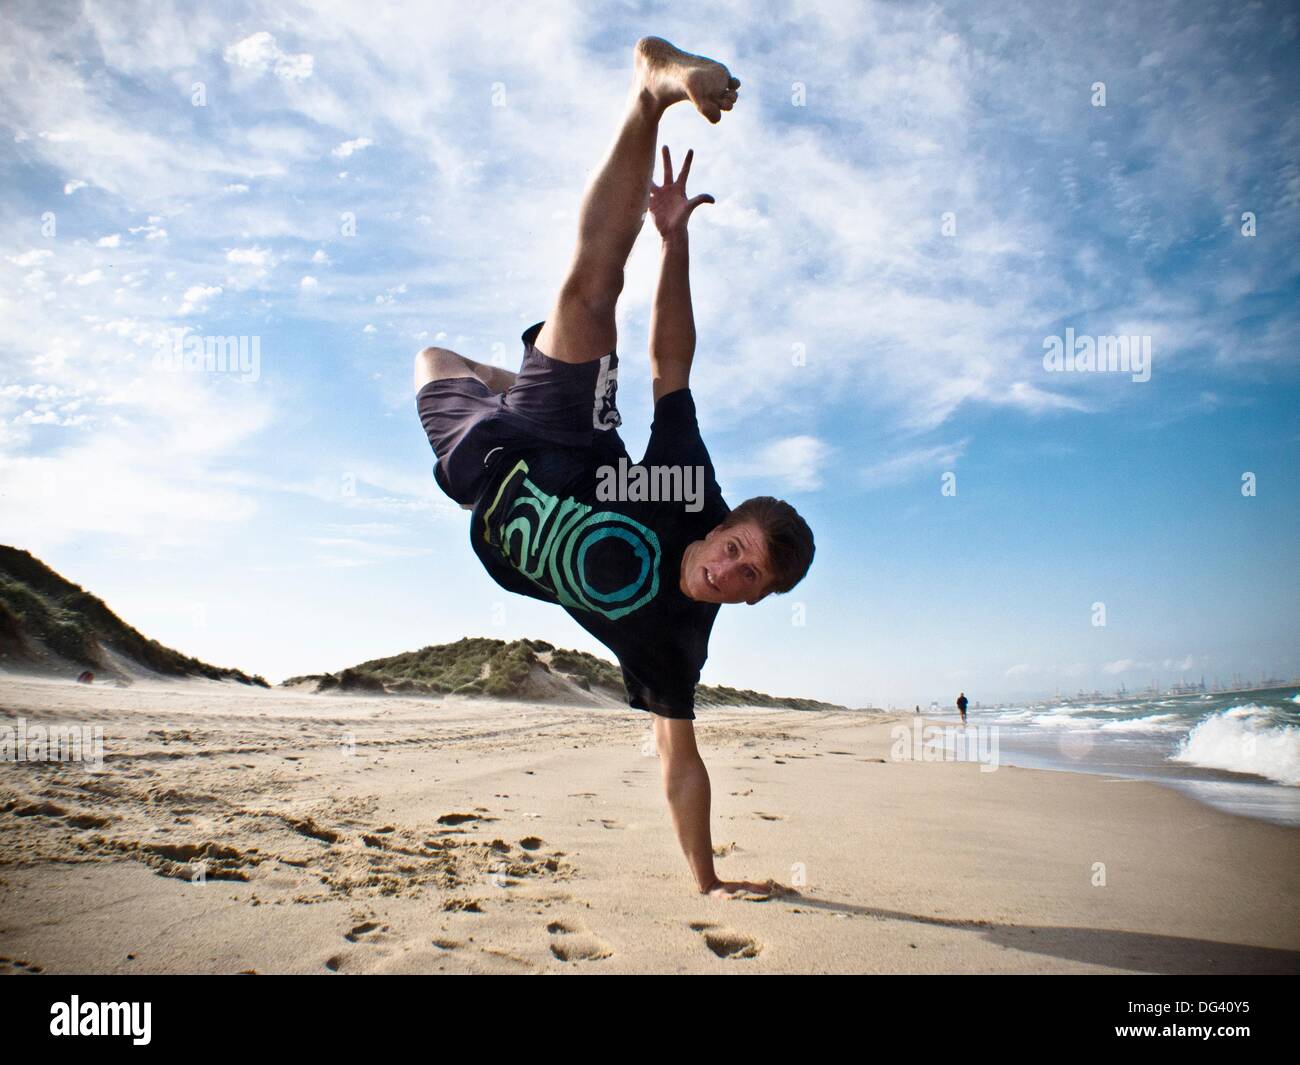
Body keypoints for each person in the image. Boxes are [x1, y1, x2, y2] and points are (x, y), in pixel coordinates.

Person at [413, 38, 815, 899]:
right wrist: (673, 240)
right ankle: (650, 89)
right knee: (588, 296)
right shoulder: (684, 486)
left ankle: (496, 376)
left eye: (749, 577)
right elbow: (674, 363)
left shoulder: (676, 645)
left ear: (754, 598)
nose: (729, 566)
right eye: (738, 545)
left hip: (490, 481)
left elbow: (681, 763)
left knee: (431, 356)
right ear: (722, 523)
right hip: (567, 441)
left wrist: (706, 879)